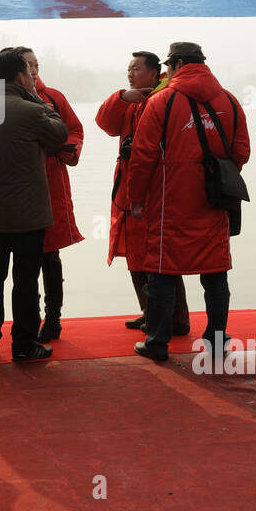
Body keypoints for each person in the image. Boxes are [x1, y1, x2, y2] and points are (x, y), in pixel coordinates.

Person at [126, 42, 250, 359]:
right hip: (214, 201)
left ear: (178, 64)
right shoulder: (231, 102)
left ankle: (157, 343)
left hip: (170, 201)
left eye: (168, 67)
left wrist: (135, 198)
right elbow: (241, 152)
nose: (166, 72)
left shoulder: (161, 101)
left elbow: (142, 156)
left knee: (162, 273)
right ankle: (217, 340)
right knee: (216, 273)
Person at [0, 48, 69, 361]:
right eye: (29, 73)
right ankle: (23, 344)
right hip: (28, 216)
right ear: (20, 76)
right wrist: (36, 97)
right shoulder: (31, 111)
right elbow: (59, 134)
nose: (34, 77)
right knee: (25, 279)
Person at [95, 51, 190, 336]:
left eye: (136, 68)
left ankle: (176, 320)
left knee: (161, 257)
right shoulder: (134, 100)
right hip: (129, 186)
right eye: (128, 68)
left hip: (154, 187)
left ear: (154, 72)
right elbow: (106, 124)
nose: (130, 73)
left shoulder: (165, 99)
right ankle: (150, 312)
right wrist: (121, 98)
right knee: (135, 254)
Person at [19, 47, 84, 343]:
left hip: (51, 184)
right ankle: (25, 321)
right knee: (22, 258)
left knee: (50, 254)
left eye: (36, 64)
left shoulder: (54, 97)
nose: (34, 70)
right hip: (16, 187)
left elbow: (74, 130)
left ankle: (53, 318)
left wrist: (67, 152)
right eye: (28, 65)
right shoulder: (2, 102)